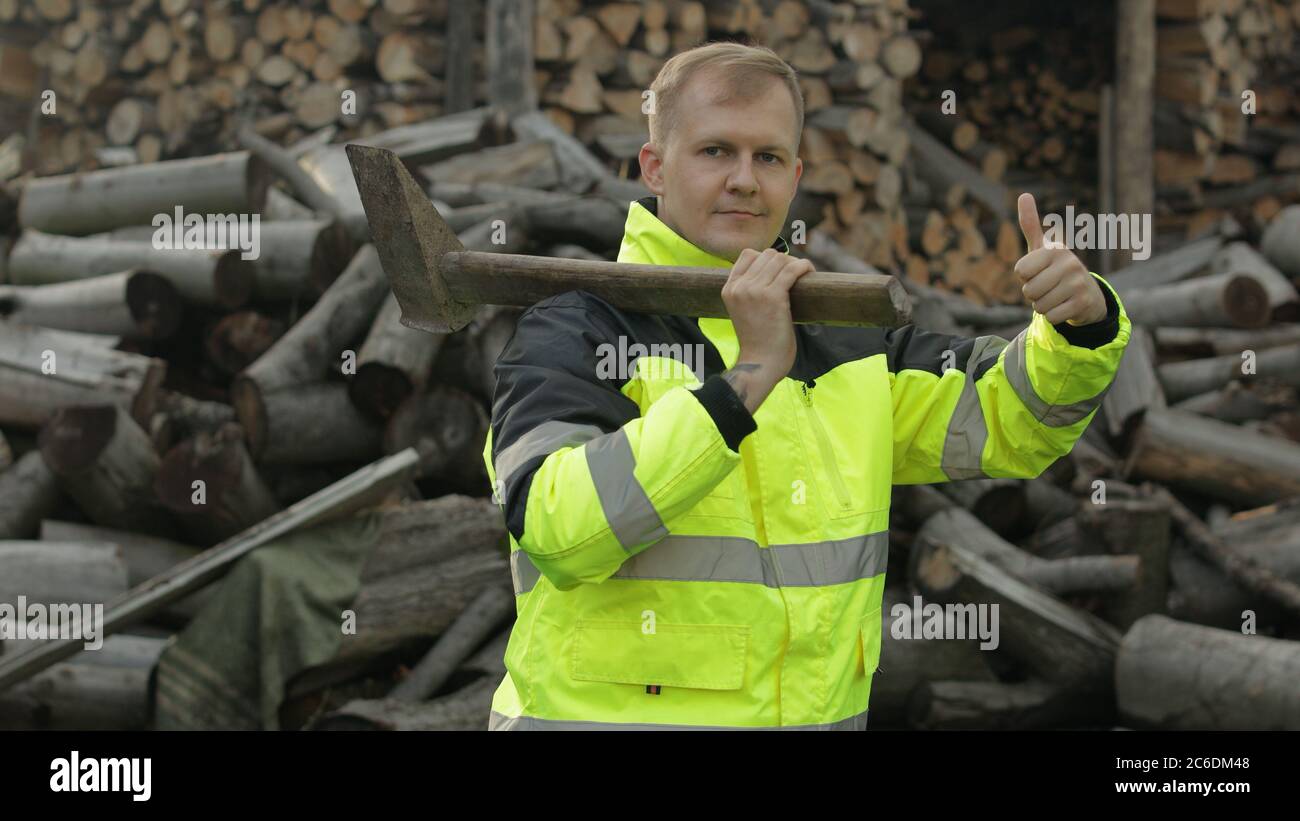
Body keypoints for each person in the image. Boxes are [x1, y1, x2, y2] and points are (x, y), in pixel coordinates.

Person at [482, 41, 1130, 730]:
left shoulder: (846, 344)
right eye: (714, 152)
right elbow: (559, 531)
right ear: (654, 168)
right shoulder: (578, 332)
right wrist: (745, 381)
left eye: (766, 157)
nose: (743, 179)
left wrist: (1076, 326)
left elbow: (1013, 422)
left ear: (794, 176)